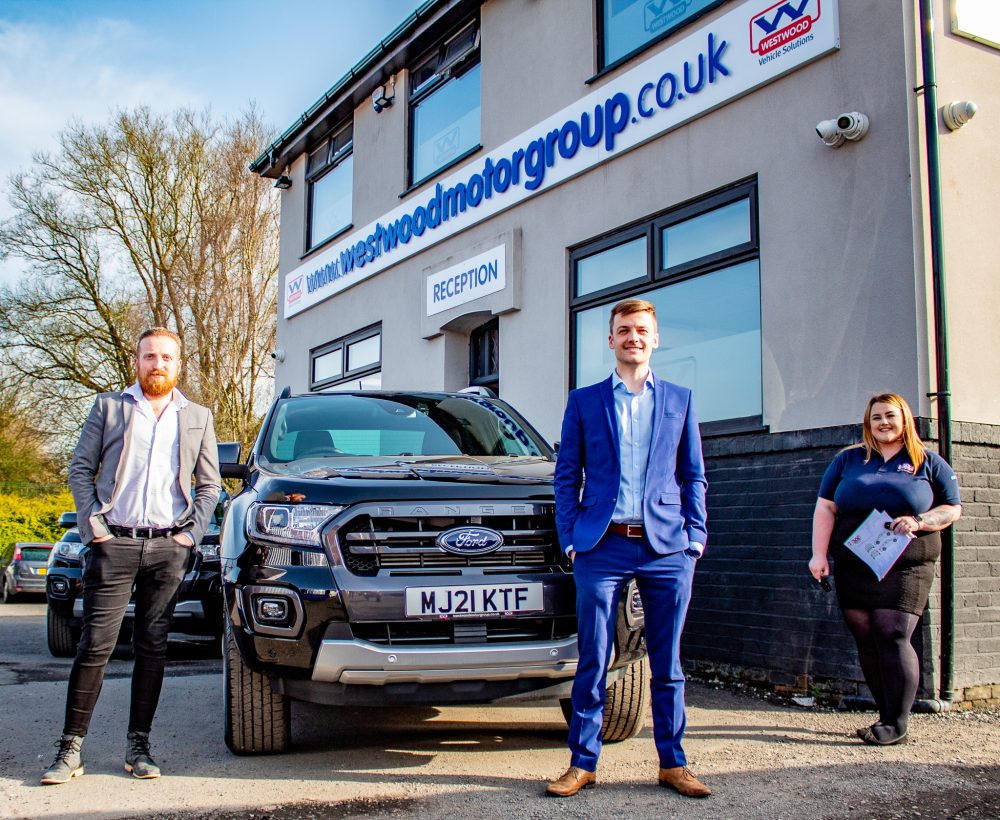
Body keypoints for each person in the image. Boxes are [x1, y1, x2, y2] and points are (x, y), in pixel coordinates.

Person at [546, 298, 710, 798]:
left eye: (642, 330)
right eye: (624, 330)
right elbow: (565, 476)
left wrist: (695, 538)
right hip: (602, 545)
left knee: (668, 663)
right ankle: (583, 763)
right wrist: (572, 539)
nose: (633, 337)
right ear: (611, 340)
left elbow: (693, 475)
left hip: (666, 548)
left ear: (655, 338)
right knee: (594, 658)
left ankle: (673, 763)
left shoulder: (680, 399)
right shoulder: (585, 401)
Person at [42, 327, 221, 784]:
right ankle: (70, 749)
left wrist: (191, 535)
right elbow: (81, 468)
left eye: (165, 357)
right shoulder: (109, 407)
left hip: (168, 547)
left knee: (153, 648)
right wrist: (94, 528)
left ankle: (138, 745)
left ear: (177, 364)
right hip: (113, 544)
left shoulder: (196, 416)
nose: (156, 364)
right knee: (94, 647)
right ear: (136, 361)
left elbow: (209, 484)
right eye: (148, 356)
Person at [809, 393, 961, 746]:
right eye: (876, 417)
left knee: (891, 631)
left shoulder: (928, 461)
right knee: (865, 635)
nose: (883, 423)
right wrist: (818, 555)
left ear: (904, 419)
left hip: (907, 562)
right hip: (856, 561)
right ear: (868, 422)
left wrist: (920, 520)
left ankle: (896, 723)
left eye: (890, 416)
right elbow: (825, 509)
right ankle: (884, 714)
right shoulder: (848, 460)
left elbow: (952, 509)